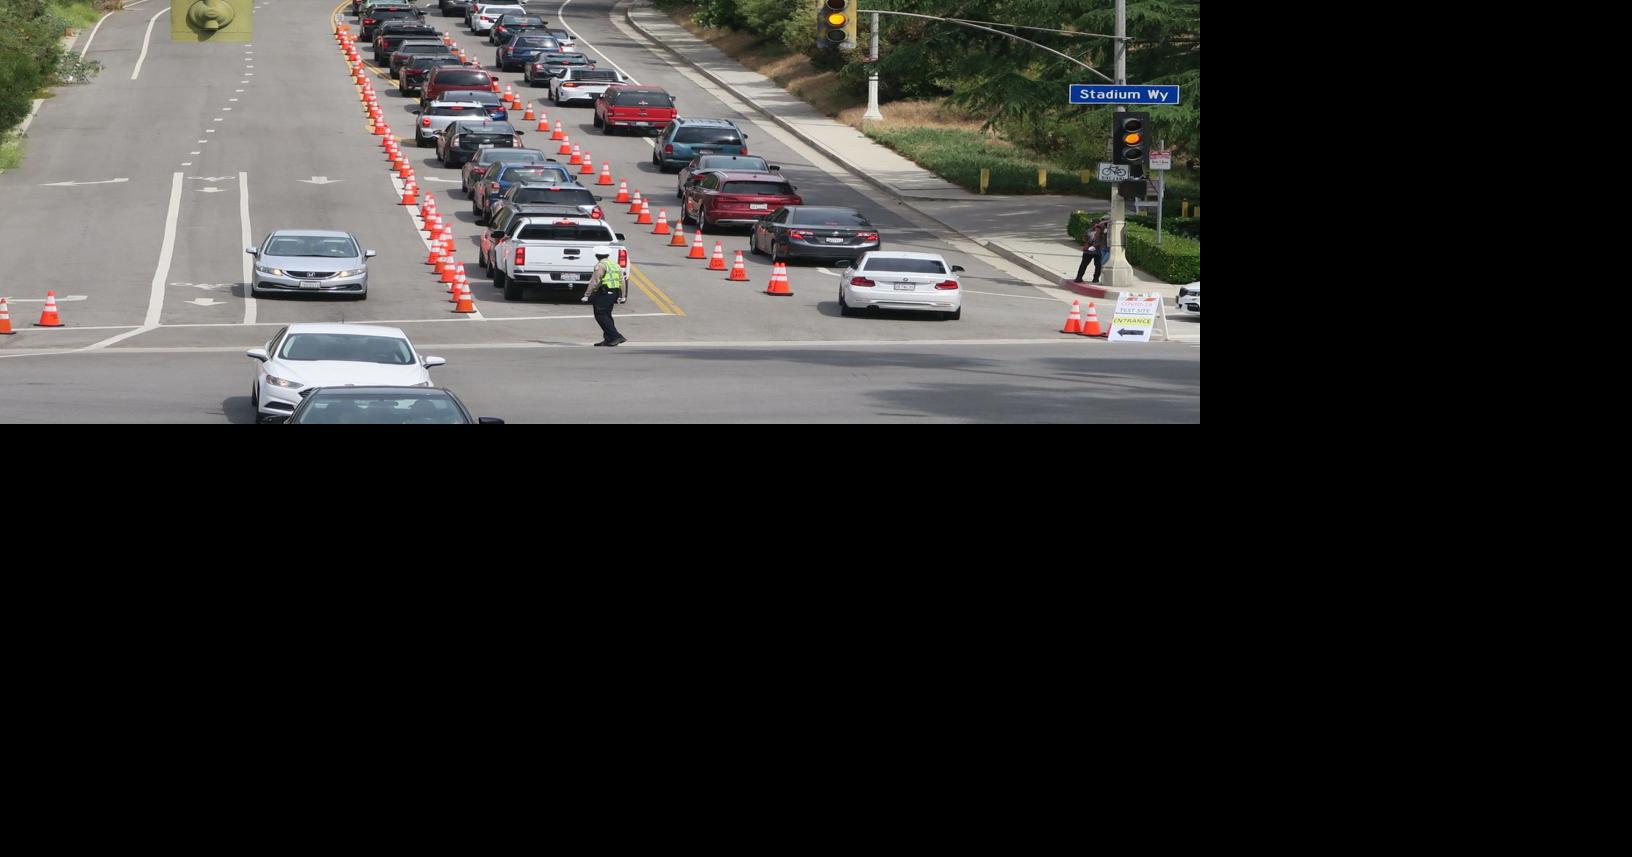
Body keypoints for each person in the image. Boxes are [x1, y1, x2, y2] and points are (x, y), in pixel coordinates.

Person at [581, 247, 627, 346]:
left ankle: (616, 336)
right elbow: (622, 281)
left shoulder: (600, 265)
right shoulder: (615, 265)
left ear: (597, 256)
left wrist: (587, 294)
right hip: (613, 293)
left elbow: (595, 281)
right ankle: (609, 339)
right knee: (607, 315)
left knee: (600, 314)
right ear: (608, 255)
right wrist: (623, 295)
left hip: (604, 293)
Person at [1074, 218, 1108, 284]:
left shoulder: (1103, 232)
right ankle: (1079, 277)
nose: (1094, 225)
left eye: (1096, 224)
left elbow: (1103, 242)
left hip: (1097, 251)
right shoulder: (1088, 231)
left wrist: (1096, 245)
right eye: (1093, 224)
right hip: (1088, 252)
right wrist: (1086, 243)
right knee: (1083, 264)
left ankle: (1096, 278)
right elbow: (1084, 238)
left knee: (1098, 265)